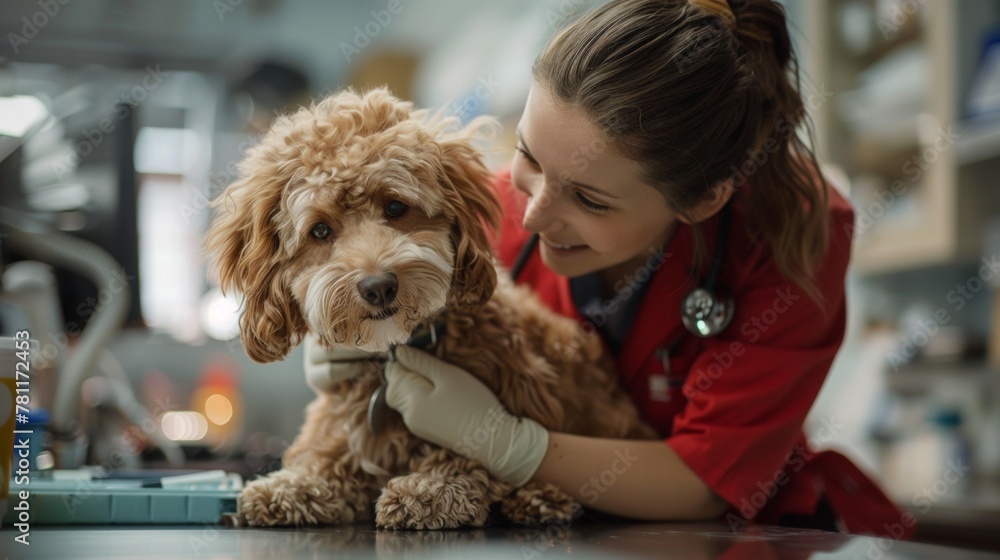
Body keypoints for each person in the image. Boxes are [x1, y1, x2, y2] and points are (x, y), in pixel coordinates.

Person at [305, 0, 914, 538]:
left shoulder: (794, 232)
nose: (536, 213)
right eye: (527, 155)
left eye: (590, 200)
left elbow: (704, 481)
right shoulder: (486, 207)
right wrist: (355, 340)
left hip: (723, 539)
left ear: (702, 201)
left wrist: (508, 444)